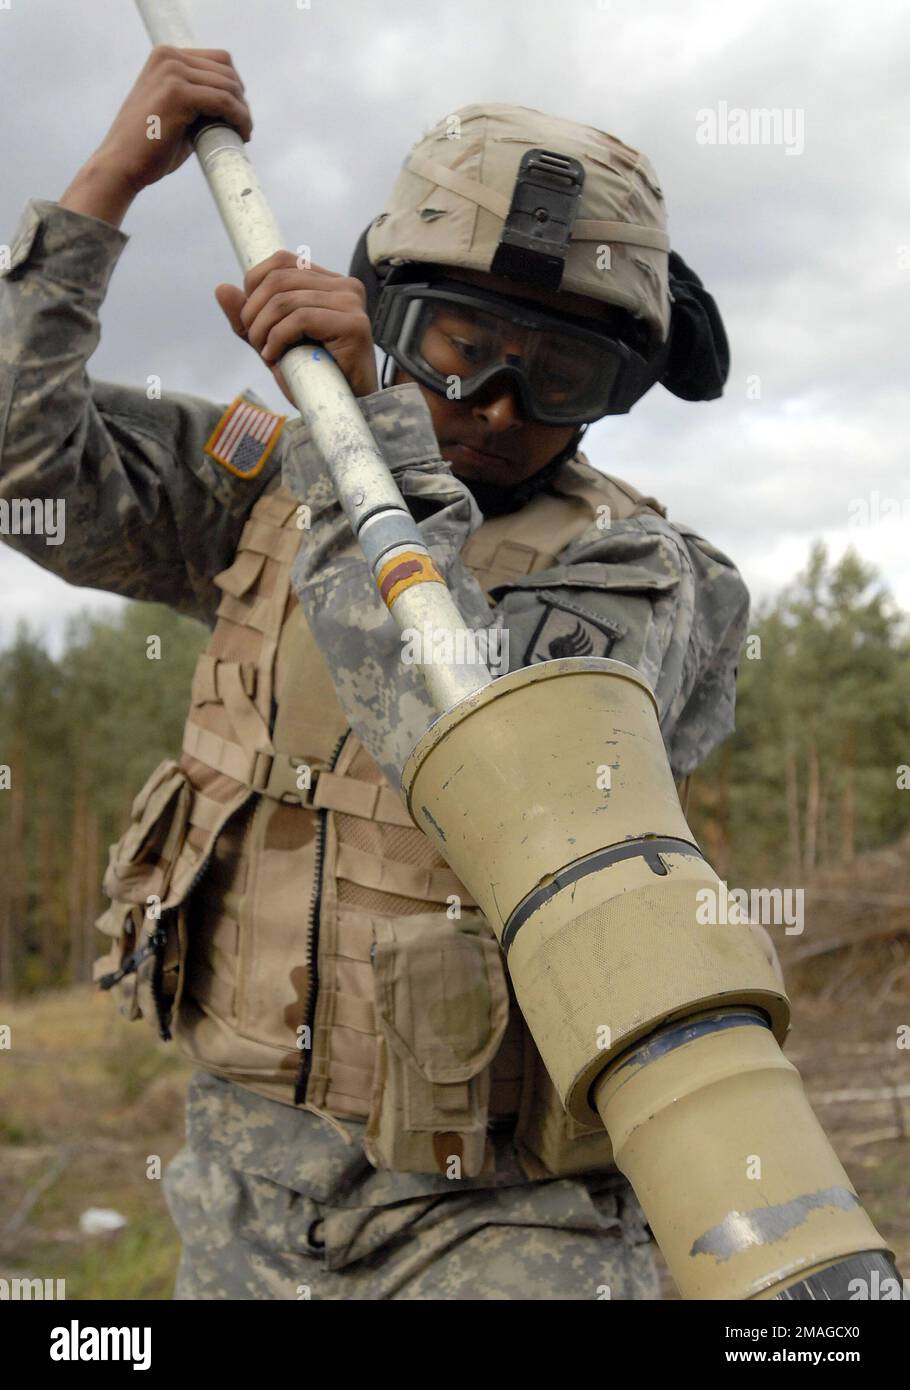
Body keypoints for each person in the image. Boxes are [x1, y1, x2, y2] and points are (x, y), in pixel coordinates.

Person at [0, 46, 780, 1299]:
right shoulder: (273, 480)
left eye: (561, 376)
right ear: (391, 314)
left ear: (614, 396)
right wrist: (107, 185)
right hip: (244, 1175)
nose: (499, 405)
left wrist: (374, 431)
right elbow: (25, 469)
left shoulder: (648, 575)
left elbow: (459, 739)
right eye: (459, 346)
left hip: (505, 1218)